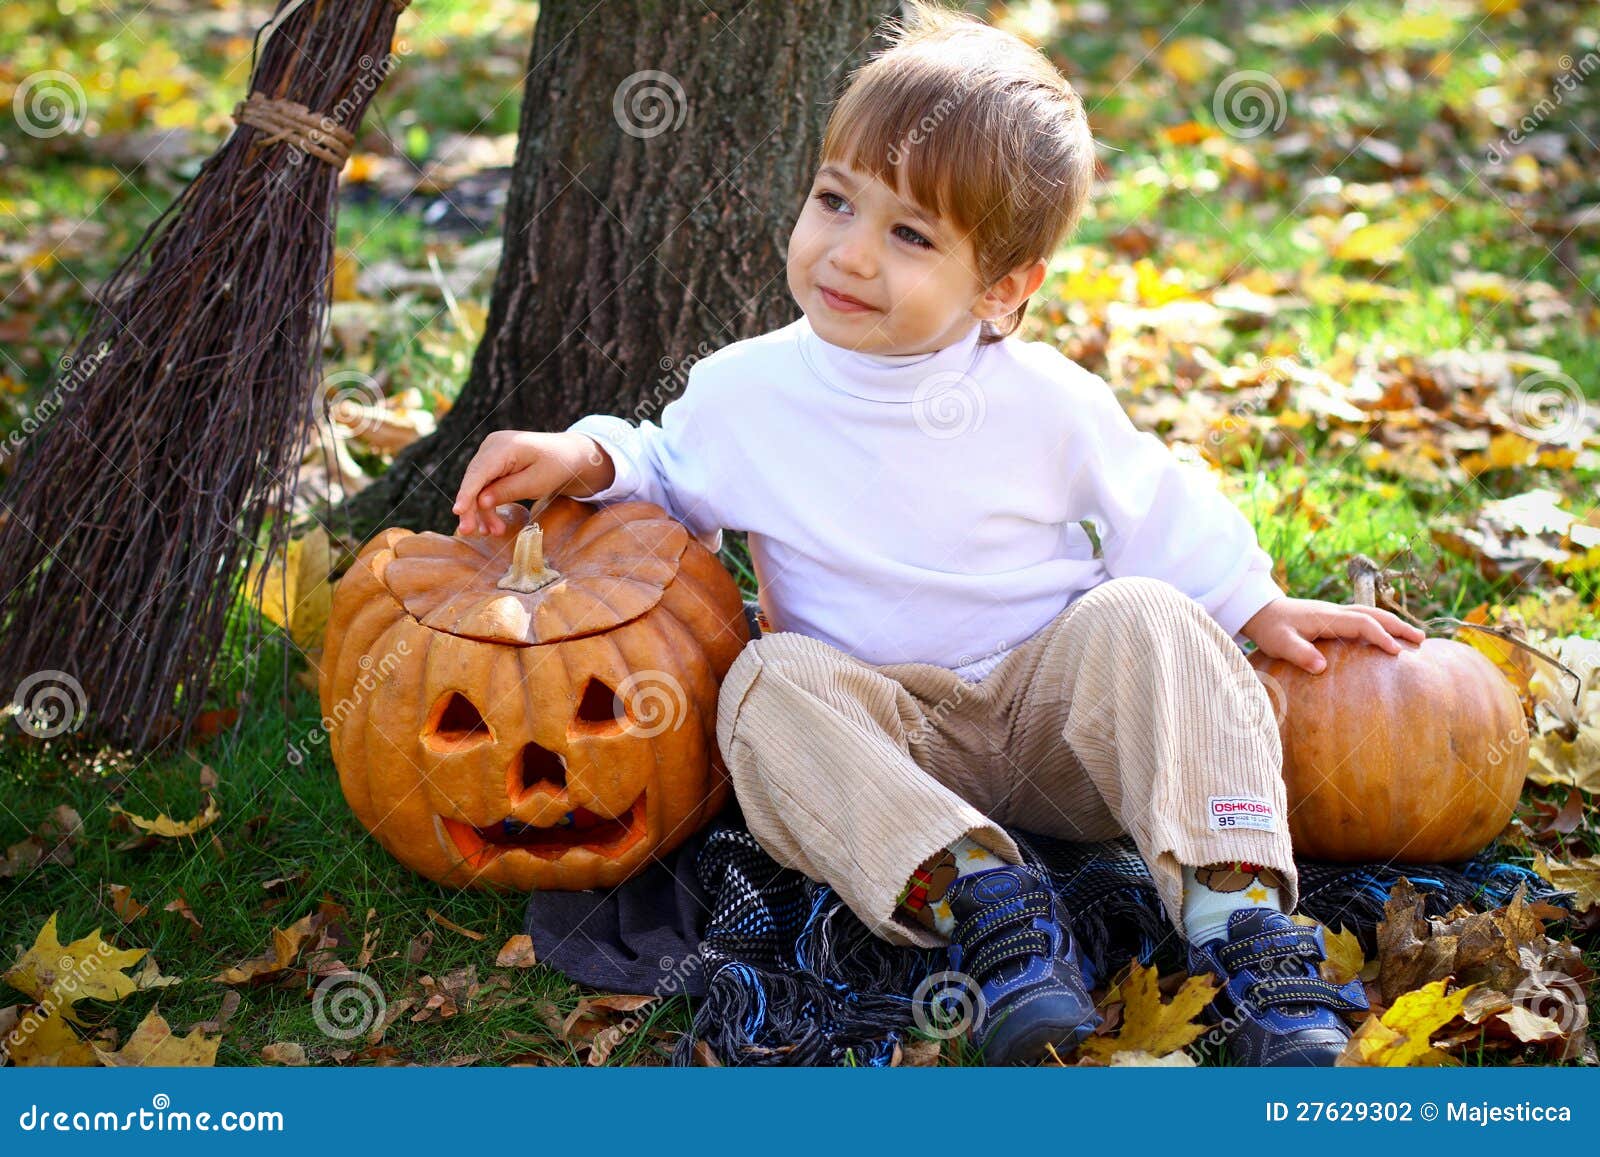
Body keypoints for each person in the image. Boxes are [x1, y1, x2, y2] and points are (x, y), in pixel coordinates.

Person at [451, 1, 1420, 1066]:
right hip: (883, 740)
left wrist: (1257, 603)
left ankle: (1240, 922)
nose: (850, 254)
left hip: (1053, 722)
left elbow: (1156, 506)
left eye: (909, 235)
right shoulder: (745, 392)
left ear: (1002, 289)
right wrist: (585, 457)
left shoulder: (1047, 399)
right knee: (765, 682)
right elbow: (664, 470)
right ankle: (984, 902)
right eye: (835, 202)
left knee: (1148, 612)